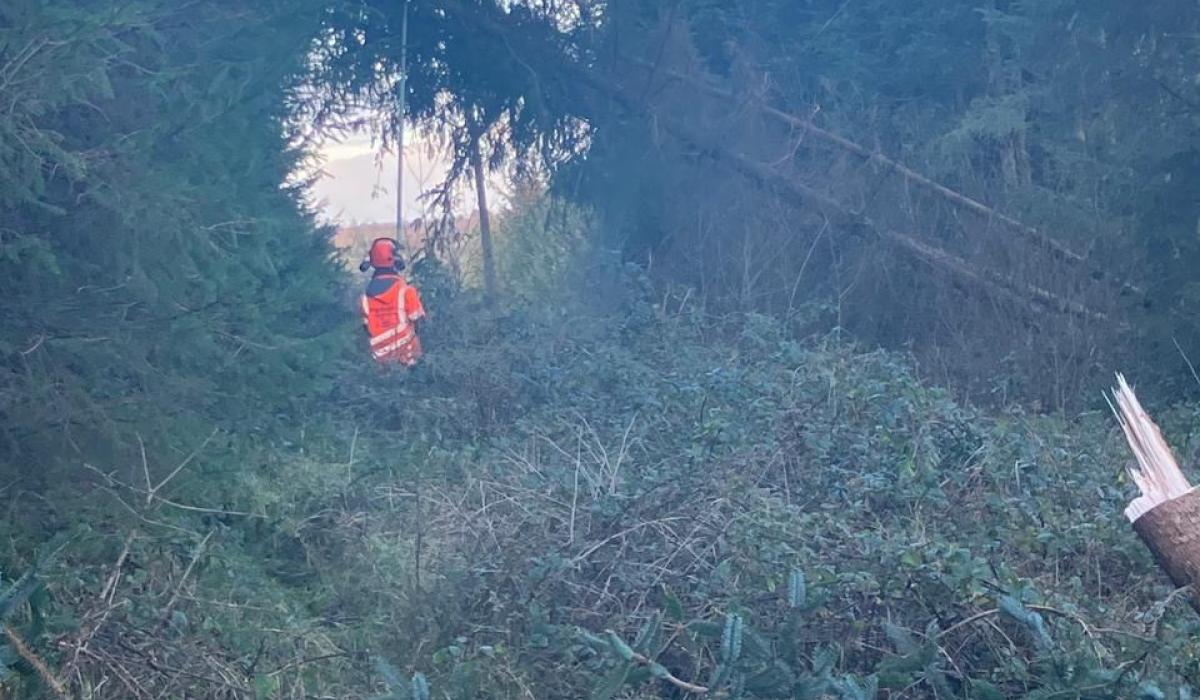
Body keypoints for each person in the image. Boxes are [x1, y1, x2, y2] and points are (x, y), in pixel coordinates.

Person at [359, 238, 426, 366]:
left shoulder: (364, 300)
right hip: (409, 360)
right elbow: (420, 324)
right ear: (395, 260)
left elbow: (366, 330)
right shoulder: (407, 292)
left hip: (380, 365)